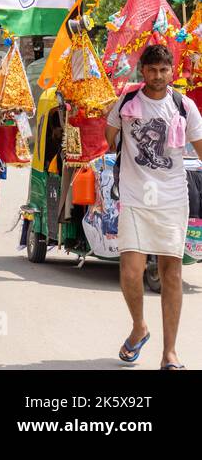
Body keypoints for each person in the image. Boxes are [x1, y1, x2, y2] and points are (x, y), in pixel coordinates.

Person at [104, 43, 202, 369]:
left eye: (164, 70)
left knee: (171, 275)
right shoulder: (127, 102)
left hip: (173, 200)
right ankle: (139, 326)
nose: (158, 76)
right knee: (130, 273)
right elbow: (109, 138)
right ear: (142, 72)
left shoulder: (184, 107)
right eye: (152, 70)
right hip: (135, 198)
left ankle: (169, 353)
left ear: (171, 71)